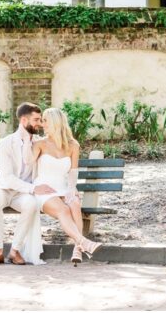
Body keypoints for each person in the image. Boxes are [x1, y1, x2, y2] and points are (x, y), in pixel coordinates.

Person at [0, 102, 55, 265]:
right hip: (4, 188)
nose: (40, 124)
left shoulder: (39, 143)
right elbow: (7, 177)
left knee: (31, 205)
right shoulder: (5, 143)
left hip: (23, 193)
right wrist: (34, 188)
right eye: (36, 120)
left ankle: (15, 251)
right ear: (24, 120)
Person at [32, 107, 103, 265]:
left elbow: (73, 171)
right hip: (44, 188)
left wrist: (71, 188)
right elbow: (27, 165)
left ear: (55, 123)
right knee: (64, 210)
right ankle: (83, 243)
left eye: (45, 120)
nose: (42, 124)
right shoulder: (39, 144)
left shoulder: (73, 145)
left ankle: (77, 249)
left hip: (64, 186)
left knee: (75, 203)